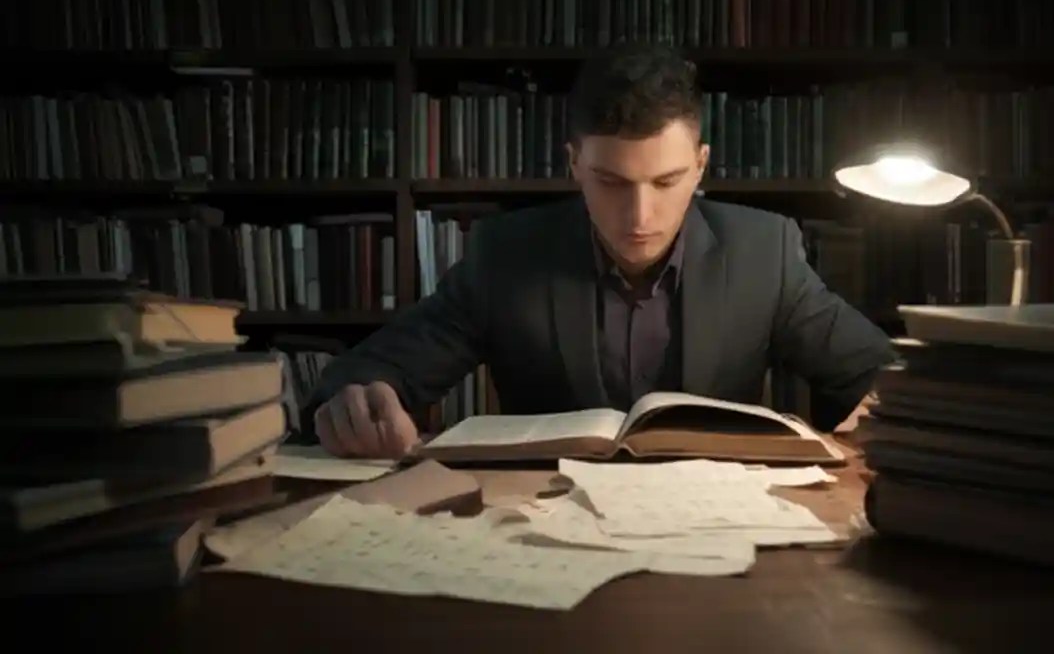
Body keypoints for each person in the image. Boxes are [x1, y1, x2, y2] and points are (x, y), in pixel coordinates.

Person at [305, 43, 895, 458]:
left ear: (701, 167)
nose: (640, 218)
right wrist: (352, 402)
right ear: (574, 165)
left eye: (666, 182)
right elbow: (365, 373)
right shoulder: (506, 256)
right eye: (611, 182)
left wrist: (891, 408)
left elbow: (880, 374)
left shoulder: (763, 251)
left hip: (714, 533)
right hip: (543, 533)